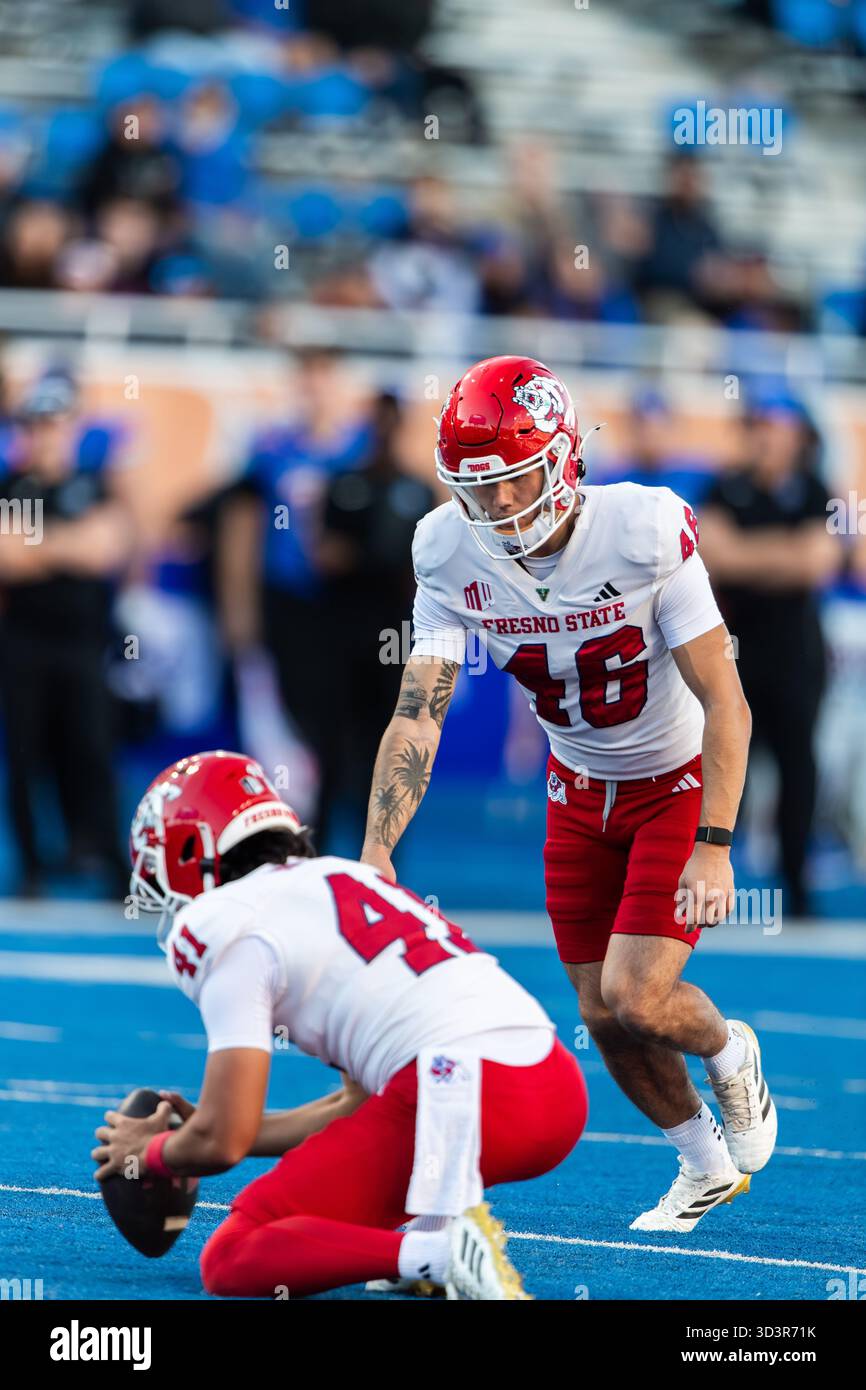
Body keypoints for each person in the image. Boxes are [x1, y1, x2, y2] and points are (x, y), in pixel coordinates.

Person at [361, 355, 777, 1233]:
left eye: (516, 480)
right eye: (483, 488)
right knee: (599, 1011)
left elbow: (725, 699)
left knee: (637, 994)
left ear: (561, 458)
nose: (502, 505)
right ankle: (703, 1164)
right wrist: (376, 849)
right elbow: (418, 714)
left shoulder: (642, 528)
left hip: (673, 782)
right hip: (576, 789)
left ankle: (730, 1047)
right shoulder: (445, 547)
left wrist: (716, 839)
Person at [92, 750, 587, 1300]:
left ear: (193, 852)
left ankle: (440, 1254)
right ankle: (436, 1245)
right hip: (552, 1088)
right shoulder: (342, 875)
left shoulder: (224, 921)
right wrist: (196, 1133)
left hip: (465, 1093)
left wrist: (152, 1152)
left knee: (233, 1254)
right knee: (332, 1207)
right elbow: (353, 1105)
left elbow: (223, 1141)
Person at [698, 391, 840, 917]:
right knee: (723, 765)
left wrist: (748, 554)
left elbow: (817, 564)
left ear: (801, 437)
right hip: (733, 654)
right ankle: (708, 886)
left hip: (798, 657)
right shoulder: (723, 486)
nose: (767, 436)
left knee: (797, 767)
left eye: (779, 426)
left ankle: (796, 888)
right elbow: (715, 556)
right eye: (760, 423)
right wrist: (786, 552)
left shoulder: (815, 491)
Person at [0, 371, 130, 896]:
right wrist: (70, 545)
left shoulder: (93, 484)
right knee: (25, 755)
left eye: (55, 423)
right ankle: (31, 866)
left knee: (92, 752)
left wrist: (39, 547)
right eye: (37, 424)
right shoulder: (13, 485)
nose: (46, 434)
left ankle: (109, 864)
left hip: (82, 643)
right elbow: (6, 560)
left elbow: (107, 548)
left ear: (72, 428)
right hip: (23, 642)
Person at [317, 391, 436, 842]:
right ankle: (322, 846)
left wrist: (364, 558)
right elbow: (327, 554)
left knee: (394, 735)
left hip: (397, 631)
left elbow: (427, 569)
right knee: (333, 741)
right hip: (345, 630)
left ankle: (386, 847)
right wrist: (382, 560)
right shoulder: (344, 482)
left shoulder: (417, 489)